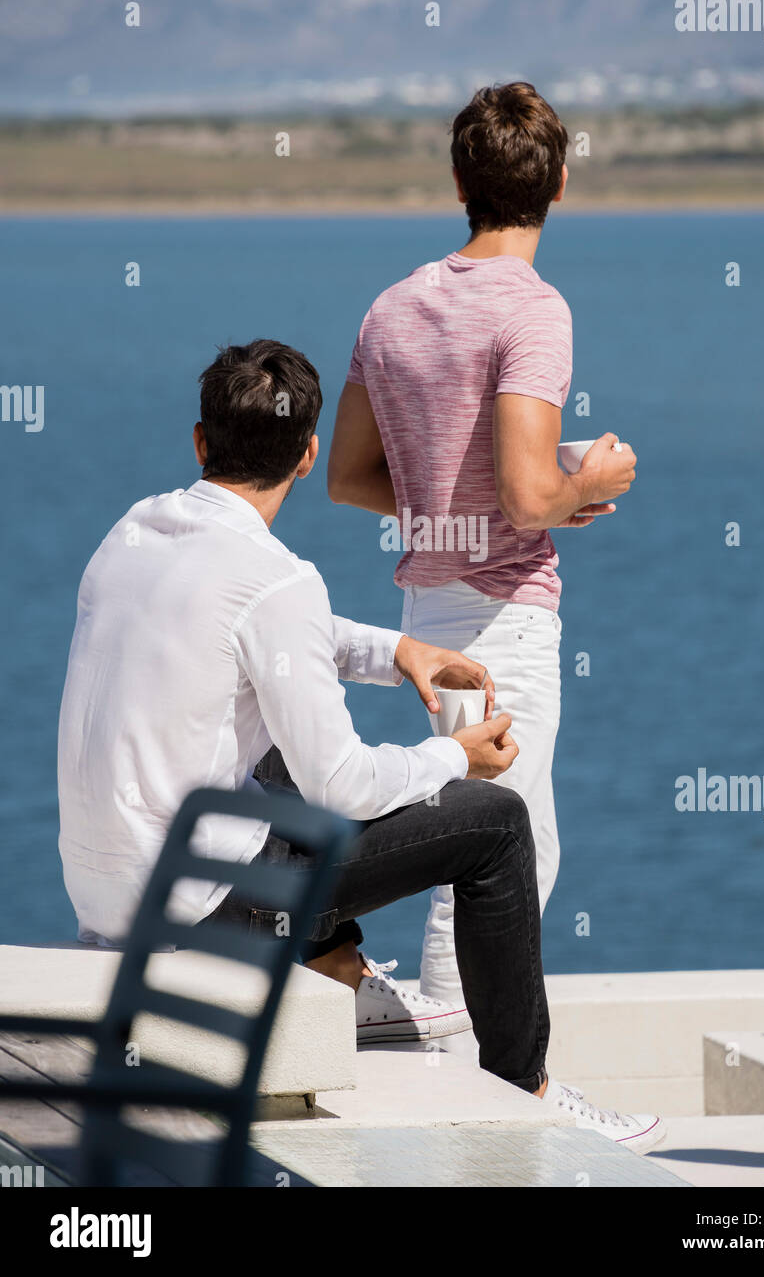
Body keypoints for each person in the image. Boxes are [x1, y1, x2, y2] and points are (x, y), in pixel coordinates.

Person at [57, 338, 662, 1151]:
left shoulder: (132, 533)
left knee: (263, 730)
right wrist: (456, 758)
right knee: (494, 823)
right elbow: (340, 783)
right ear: (308, 456)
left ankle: (341, 974)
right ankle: (527, 1089)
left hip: (105, 902)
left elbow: (258, 631)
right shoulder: (276, 578)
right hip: (202, 909)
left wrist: (397, 652)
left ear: (200, 442)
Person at [328, 81, 637, 1022]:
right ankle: (475, 1076)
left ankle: (483, 1062)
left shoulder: (392, 307)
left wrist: (453, 506)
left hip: (431, 609)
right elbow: (524, 492)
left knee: (526, 838)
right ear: (561, 181)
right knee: (492, 847)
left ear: (460, 177)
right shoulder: (535, 311)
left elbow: (346, 475)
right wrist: (593, 481)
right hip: (504, 618)